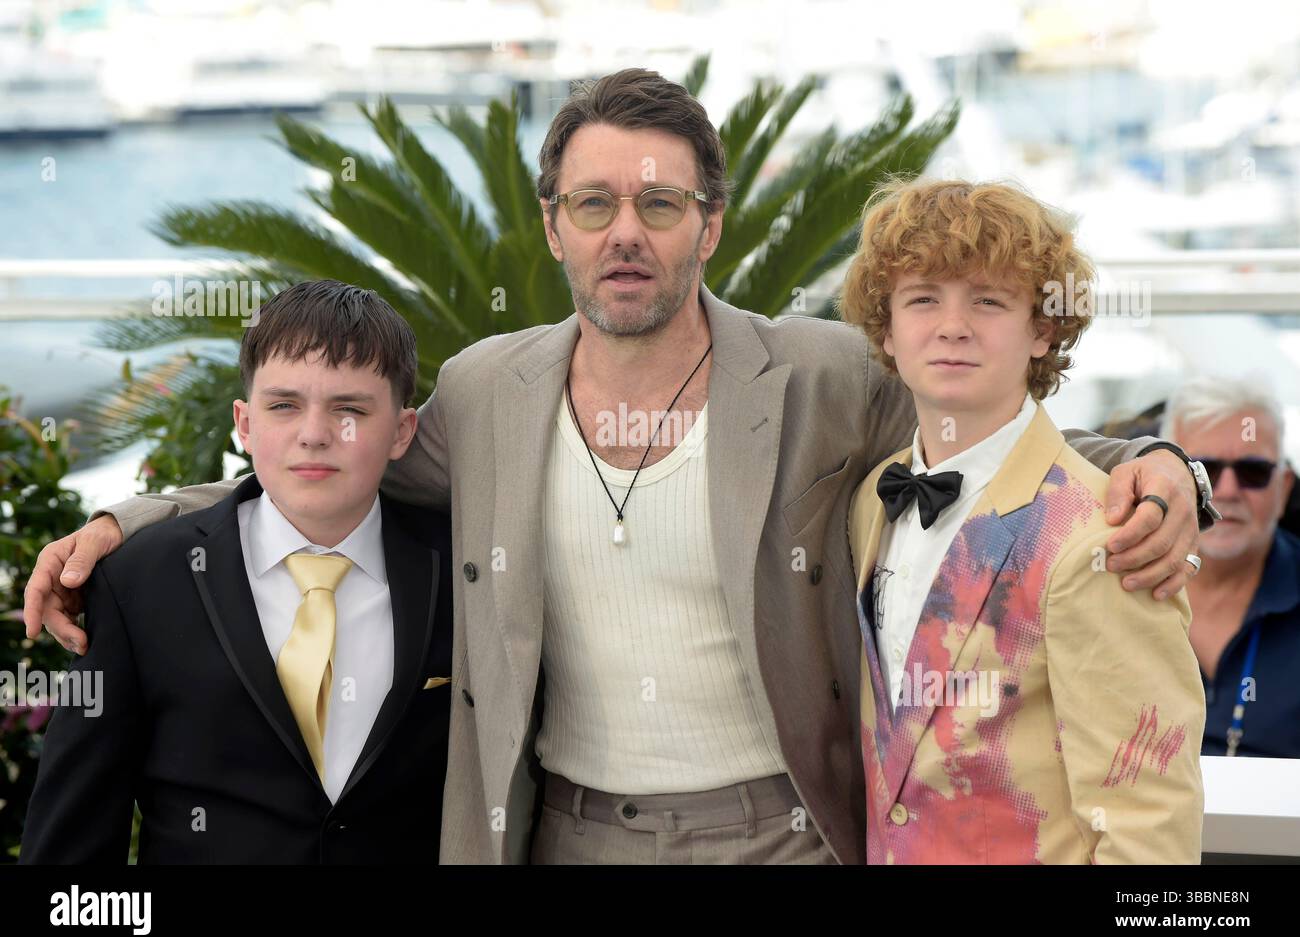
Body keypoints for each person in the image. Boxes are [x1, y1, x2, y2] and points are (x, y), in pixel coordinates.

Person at [23, 70, 1210, 865]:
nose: (624, 231)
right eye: (593, 202)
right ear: (552, 226)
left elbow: (988, 421)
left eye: (658, 201)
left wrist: (1163, 465)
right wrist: (135, 518)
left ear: (713, 222)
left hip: (785, 839)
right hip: (565, 841)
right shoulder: (489, 392)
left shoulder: (814, 374)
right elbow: (329, 453)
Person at [20, 281, 455, 863]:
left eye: (349, 409)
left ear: (402, 431)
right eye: (284, 405)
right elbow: (71, 843)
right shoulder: (139, 581)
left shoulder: (462, 572)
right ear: (244, 424)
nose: (314, 434)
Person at [841, 179, 1206, 863]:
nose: (953, 325)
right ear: (886, 330)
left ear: (1042, 329)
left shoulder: (1099, 533)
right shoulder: (872, 501)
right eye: (923, 298)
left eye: (988, 300)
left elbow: (1150, 816)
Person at [1163, 376, 1300, 758]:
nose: (1225, 490)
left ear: (1284, 487)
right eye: (1203, 470)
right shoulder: (1107, 587)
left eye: (1253, 471)